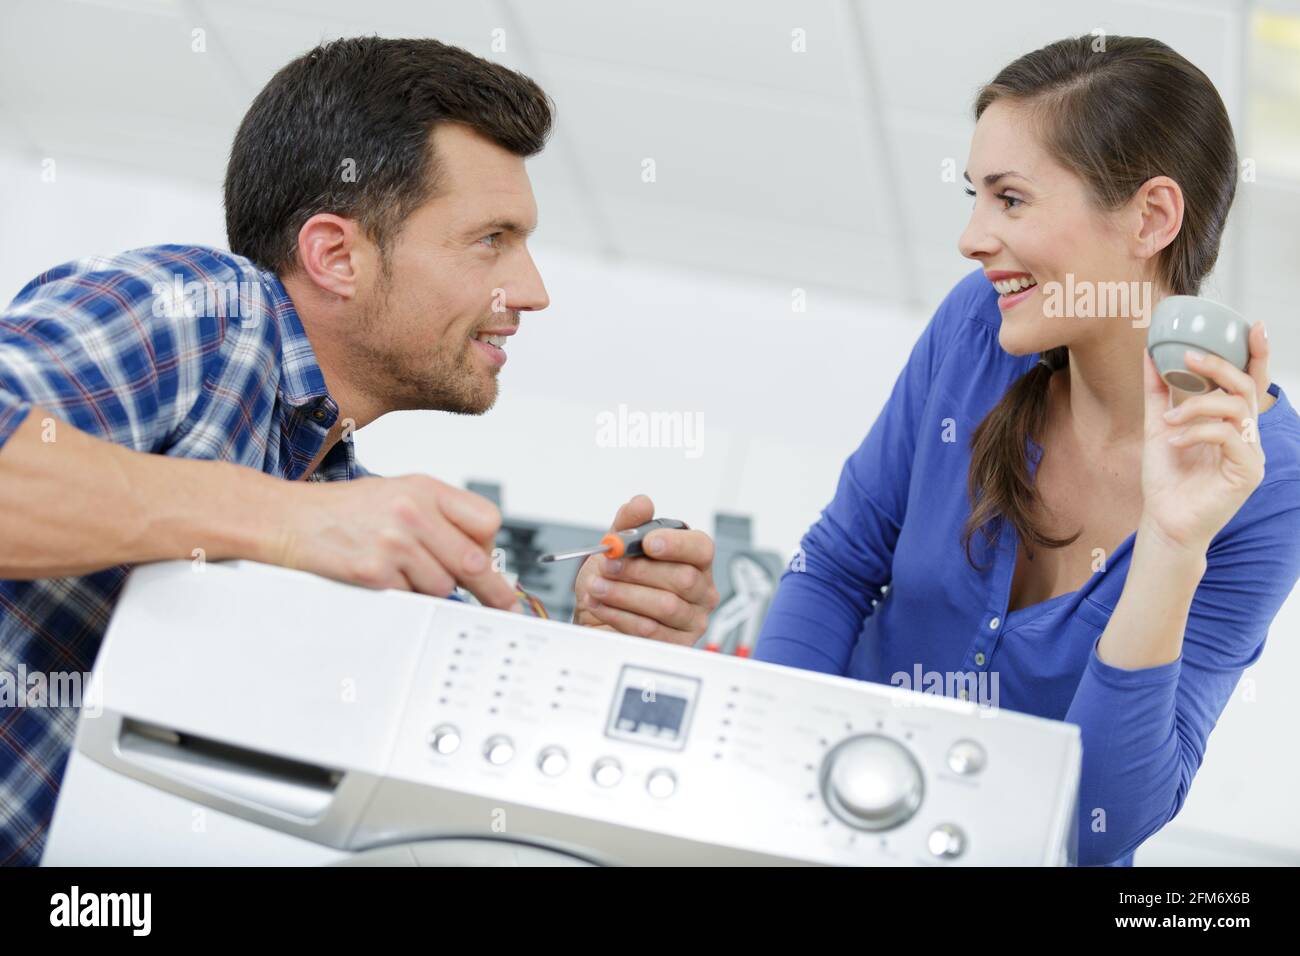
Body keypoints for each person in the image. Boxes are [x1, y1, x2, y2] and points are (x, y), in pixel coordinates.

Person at [0, 37, 718, 866]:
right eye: (492, 240)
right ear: (336, 255)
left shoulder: (352, 503)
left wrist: (604, 646)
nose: (531, 291)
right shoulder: (209, 314)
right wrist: (286, 521)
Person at [752, 35, 1300, 866]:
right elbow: (834, 567)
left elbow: (1100, 823)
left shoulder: (1263, 480)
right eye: (976, 196)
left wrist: (1174, 542)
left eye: (1010, 200)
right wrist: (766, 770)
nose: (972, 238)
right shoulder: (978, 327)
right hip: (821, 824)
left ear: (1150, 217)